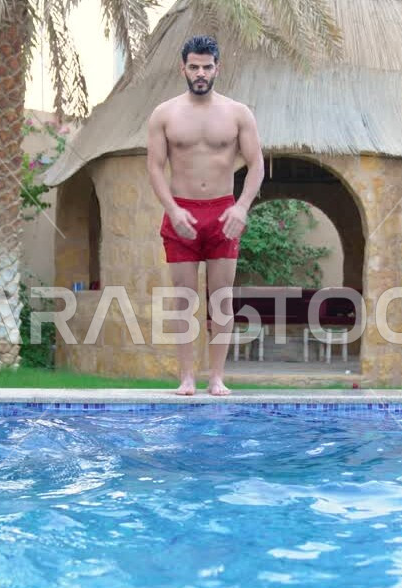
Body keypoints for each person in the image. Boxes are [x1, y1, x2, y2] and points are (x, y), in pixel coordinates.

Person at [147, 35, 265, 396]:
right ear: (183, 67)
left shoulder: (237, 113)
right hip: (181, 212)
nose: (201, 73)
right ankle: (186, 378)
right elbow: (154, 167)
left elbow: (258, 164)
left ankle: (216, 377)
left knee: (221, 300)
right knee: (184, 301)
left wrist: (241, 206)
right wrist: (172, 209)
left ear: (217, 68)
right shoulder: (164, 114)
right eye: (194, 66)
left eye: (207, 66)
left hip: (222, 213)